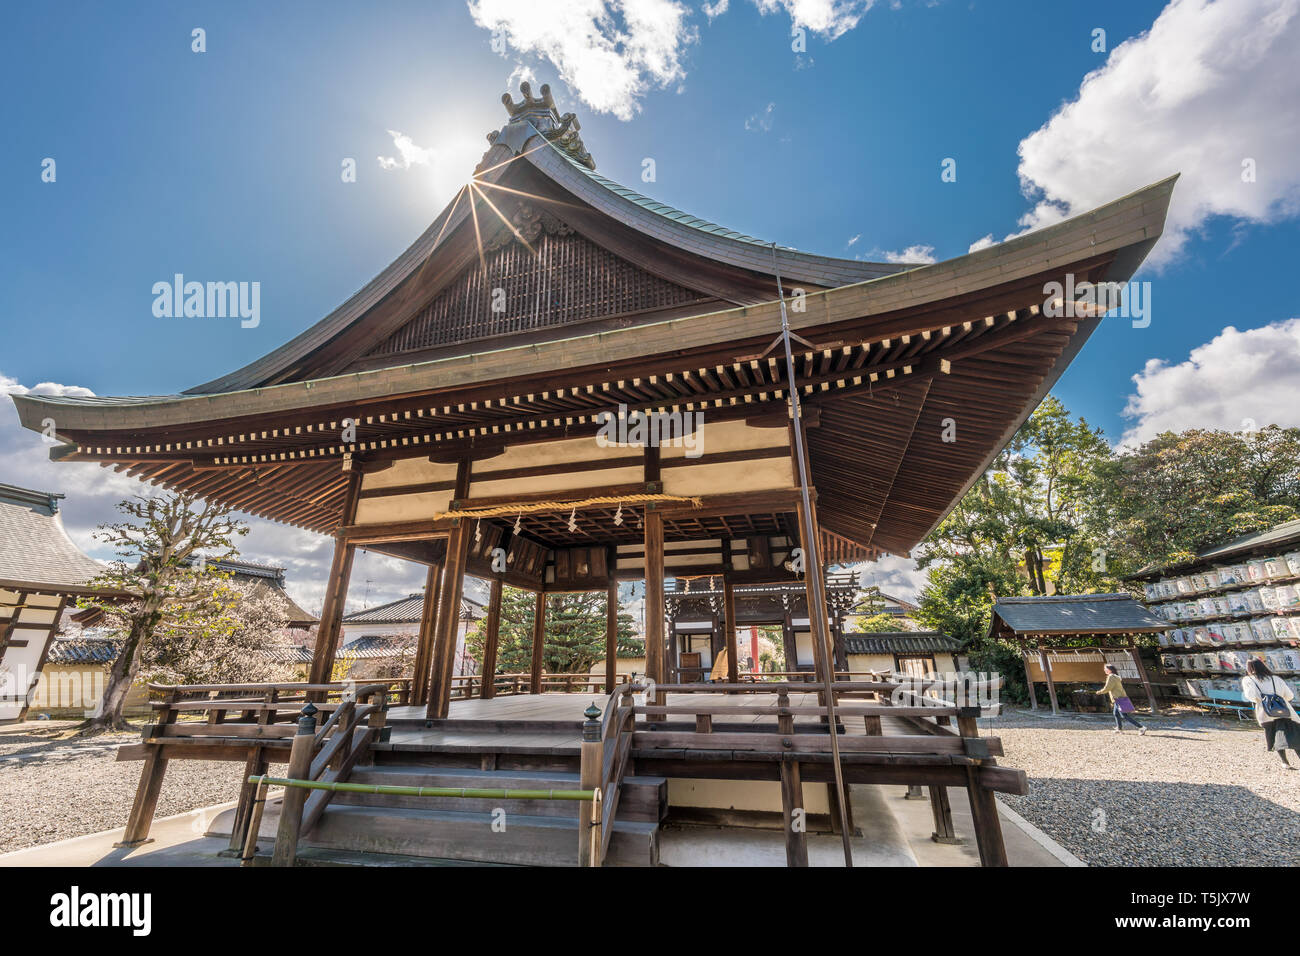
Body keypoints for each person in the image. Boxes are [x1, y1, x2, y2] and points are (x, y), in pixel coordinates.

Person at [1241, 659, 1300, 768]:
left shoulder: (1248, 680)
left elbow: (1252, 696)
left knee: (1274, 737)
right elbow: (1290, 695)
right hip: (1285, 711)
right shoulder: (1276, 679)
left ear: (1249, 668)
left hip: (1265, 713)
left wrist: (1263, 699)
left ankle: (1285, 762)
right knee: (1295, 736)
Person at [1098, 664, 1146, 735]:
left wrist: (1099, 692)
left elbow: (1107, 688)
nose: (1104, 670)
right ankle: (1119, 729)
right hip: (1120, 697)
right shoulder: (1116, 677)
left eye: (1105, 669)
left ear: (1110, 670)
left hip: (1118, 698)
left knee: (1124, 715)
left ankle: (1141, 727)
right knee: (1116, 713)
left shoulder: (1111, 677)